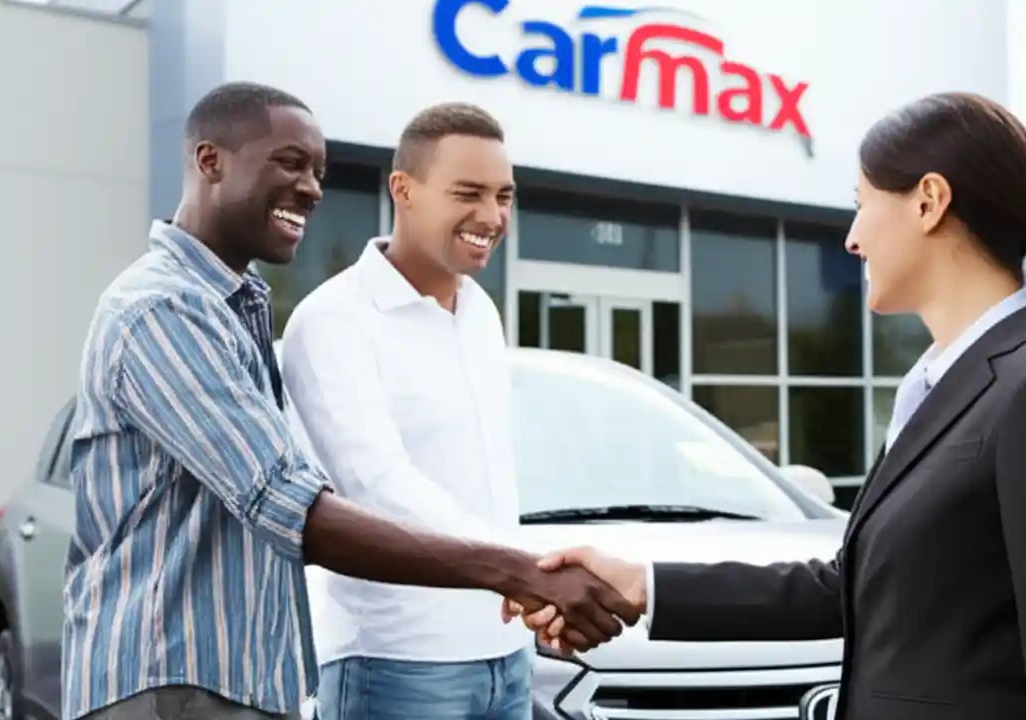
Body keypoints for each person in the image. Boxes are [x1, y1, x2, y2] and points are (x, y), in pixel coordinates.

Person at [507, 91, 1026, 720]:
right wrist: (641, 582)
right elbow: (841, 589)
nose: (852, 238)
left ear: (929, 201)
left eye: (861, 204)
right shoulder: (936, 387)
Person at [61, 82, 639, 720]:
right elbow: (296, 502)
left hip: (253, 672)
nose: (311, 188)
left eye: (318, 171)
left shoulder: (241, 304)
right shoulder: (167, 310)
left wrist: (523, 580)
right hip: (182, 679)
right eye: (290, 163)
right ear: (209, 161)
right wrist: (526, 573)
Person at [279, 102, 530, 719]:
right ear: (404, 190)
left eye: (504, 195)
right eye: (468, 193)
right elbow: (378, 486)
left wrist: (524, 579)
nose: (492, 216)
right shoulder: (334, 321)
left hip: (509, 653)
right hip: (397, 663)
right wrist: (524, 570)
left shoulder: (480, 311)